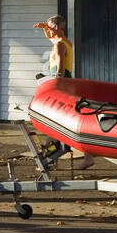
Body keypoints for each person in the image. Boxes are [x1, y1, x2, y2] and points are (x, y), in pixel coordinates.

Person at [34, 15, 93, 168]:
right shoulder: (64, 42)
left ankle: (55, 158)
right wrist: (45, 27)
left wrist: (56, 85)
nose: (48, 32)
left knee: (63, 120)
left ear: (56, 28)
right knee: (69, 119)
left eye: (50, 27)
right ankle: (83, 156)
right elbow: (52, 39)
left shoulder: (60, 45)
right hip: (66, 80)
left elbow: (60, 68)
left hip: (62, 81)